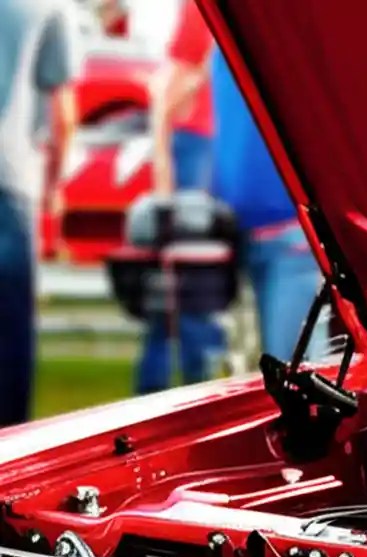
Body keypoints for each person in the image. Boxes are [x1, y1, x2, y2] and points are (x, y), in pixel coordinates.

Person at [168, 1, 324, 365]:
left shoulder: (297, 31)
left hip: (291, 233)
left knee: (288, 367)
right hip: (234, 227)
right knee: (238, 363)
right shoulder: (223, 28)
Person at [0, 0, 79, 426]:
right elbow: (62, 110)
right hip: (11, 180)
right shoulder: (50, 5)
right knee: (9, 343)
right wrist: (54, 186)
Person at [140, 0, 225, 394]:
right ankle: (188, 384)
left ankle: (171, 382)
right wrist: (162, 159)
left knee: (182, 282)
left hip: (197, 143)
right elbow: (176, 84)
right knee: (191, 283)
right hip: (195, 144)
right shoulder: (202, 10)